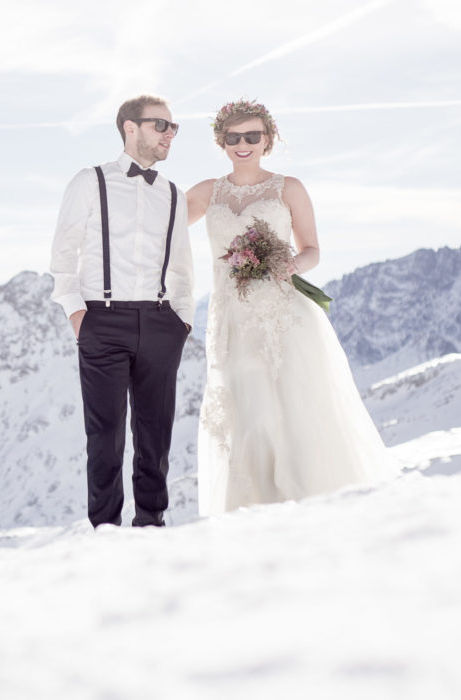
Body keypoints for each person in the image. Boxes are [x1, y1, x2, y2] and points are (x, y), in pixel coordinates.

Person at [186, 99, 394, 515]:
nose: (242, 144)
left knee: (294, 412)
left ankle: (308, 504)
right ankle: (254, 507)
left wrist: (291, 264)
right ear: (221, 141)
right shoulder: (208, 192)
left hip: (285, 317)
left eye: (252, 135)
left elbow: (312, 249)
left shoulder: (289, 188)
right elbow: (162, 223)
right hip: (232, 321)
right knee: (248, 412)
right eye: (233, 137)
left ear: (268, 139)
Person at [50, 95, 195, 528]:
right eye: (160, 125)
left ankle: (152, 524)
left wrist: (182, 320)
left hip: (160, 321)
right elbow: (64, 252)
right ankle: (105, 531)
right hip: (102, 319)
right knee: (105, 436)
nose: (170, 134)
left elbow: (181, 265)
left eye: (173, 127)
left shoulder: (173, 193)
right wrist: (78, 314)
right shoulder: (89, 181)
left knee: (155, 435)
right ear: (130, 128)